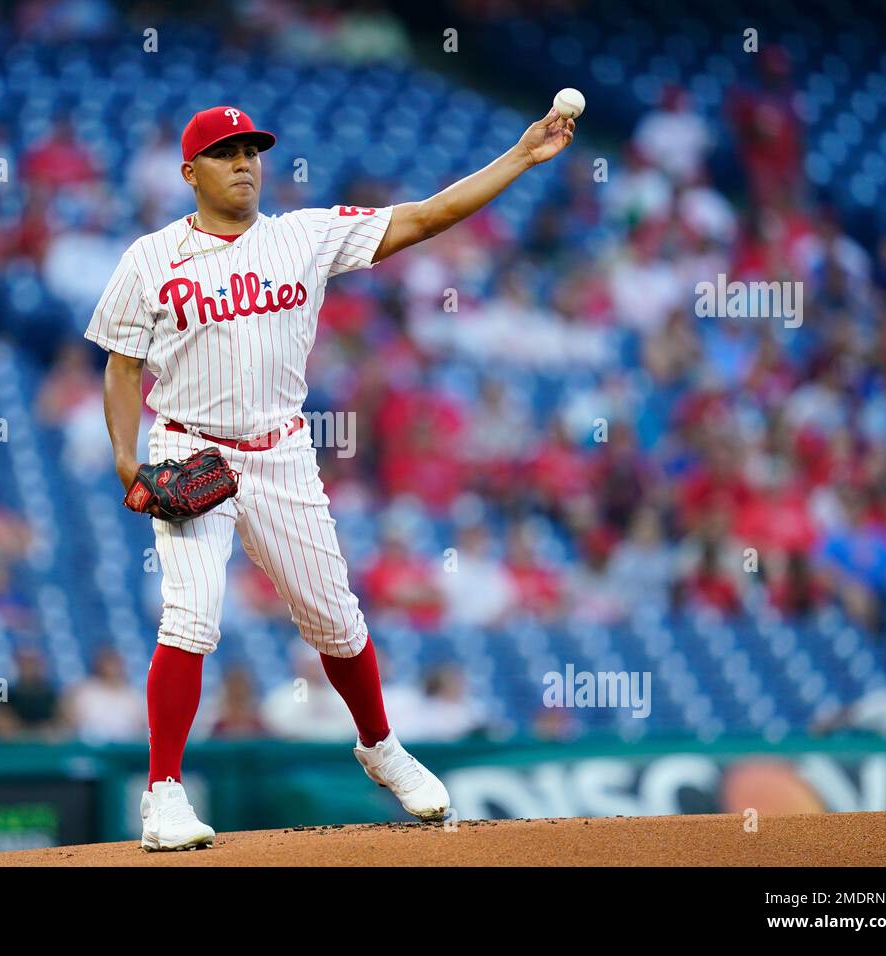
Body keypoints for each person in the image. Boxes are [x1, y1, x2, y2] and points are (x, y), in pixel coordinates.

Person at [86, 102, 575, 851]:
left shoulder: (303, 237)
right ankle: (162, 794)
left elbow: (425, 217)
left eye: (252, 149)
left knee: (336, 621)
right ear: (190, 173)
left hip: (282, 449)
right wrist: (128, 458)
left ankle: (380, 746)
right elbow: (121, 367)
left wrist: (517, 157)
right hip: (191, 449)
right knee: (192, 617)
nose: (244, 162)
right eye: (224, 153)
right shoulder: (149, 259)